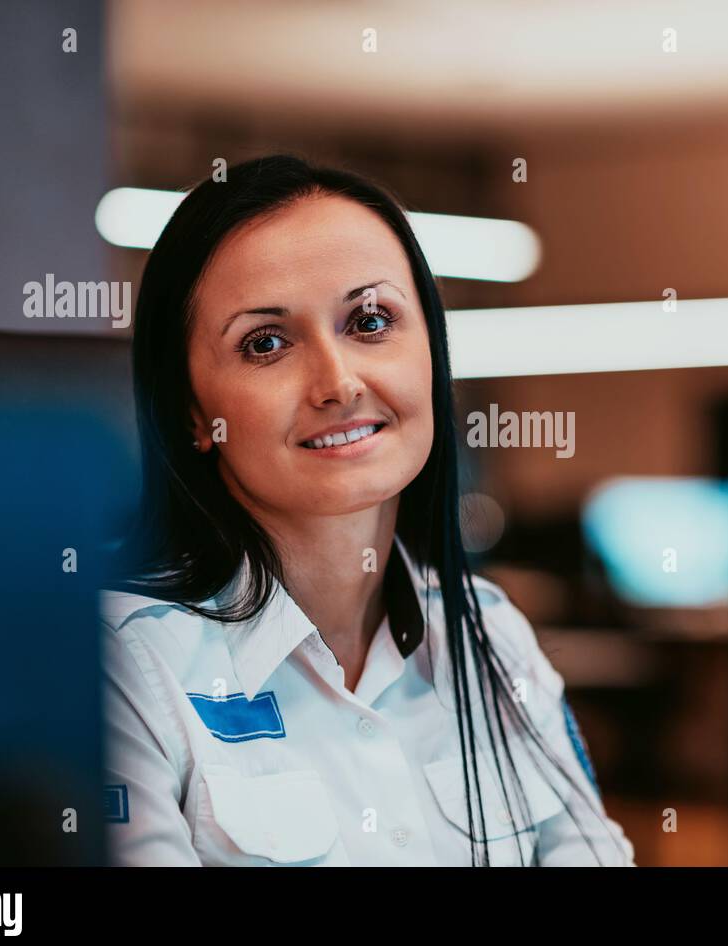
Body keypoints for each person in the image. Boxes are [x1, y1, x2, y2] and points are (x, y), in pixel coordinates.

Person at [99, 154, 635, 866]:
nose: (338, 381)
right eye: (266, 342)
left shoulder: (491, 637)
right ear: (193, 411)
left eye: (371, 320)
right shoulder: (120, 665)